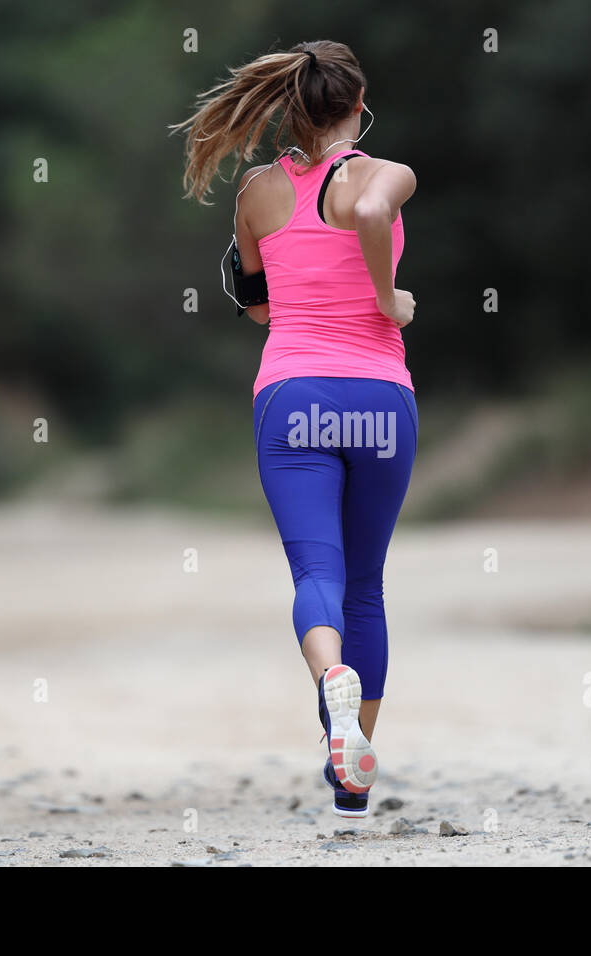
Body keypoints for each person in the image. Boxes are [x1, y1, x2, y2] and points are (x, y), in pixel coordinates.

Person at [173, 39, 417, 817]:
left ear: (289, 106)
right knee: (367, 588)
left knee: (318, 576)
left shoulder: (255, 193)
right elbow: (372, 211)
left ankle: (330, 686)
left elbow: (255, 304)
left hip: (294, 395)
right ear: (358, 99)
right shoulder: (384, 174)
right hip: (380, 397)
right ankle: (352, 784)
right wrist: (385, 298)